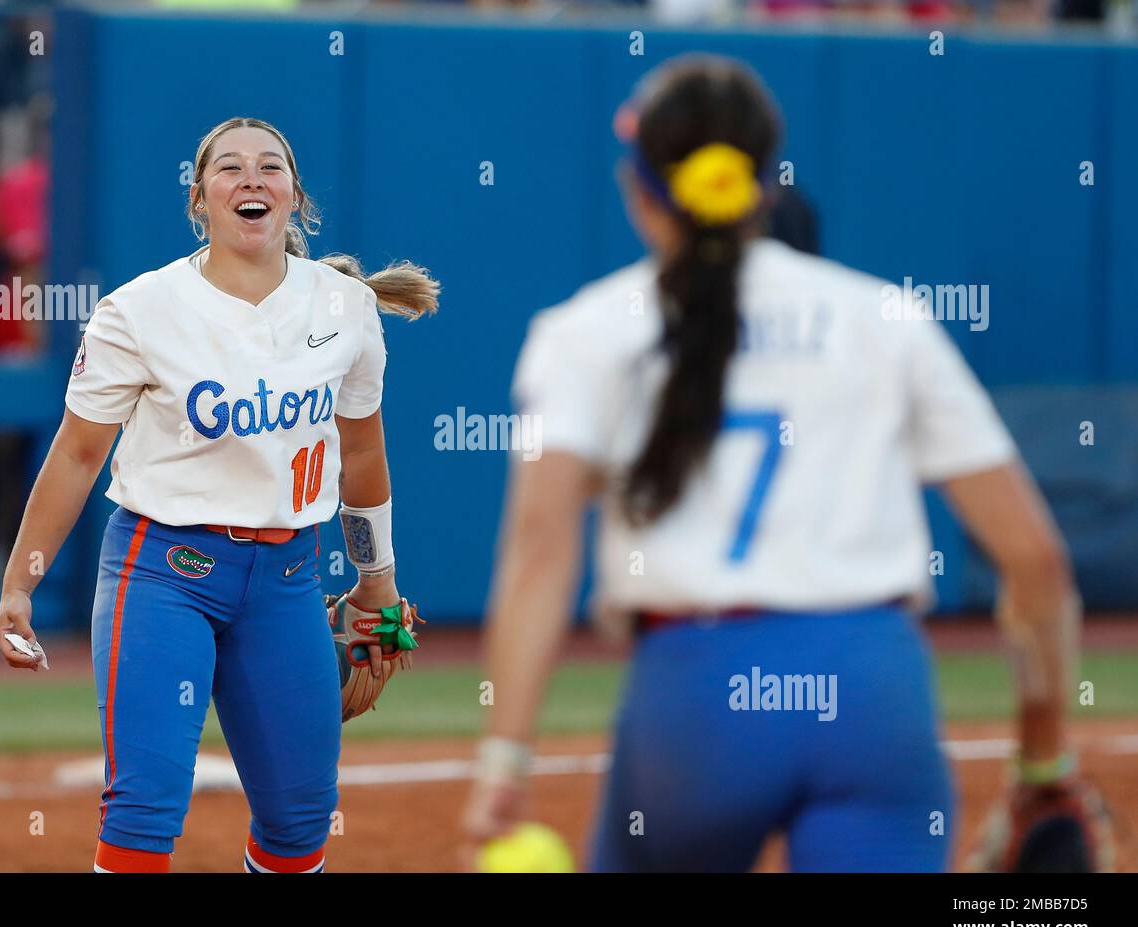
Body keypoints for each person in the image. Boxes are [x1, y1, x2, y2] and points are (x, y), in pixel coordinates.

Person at [462, 56, 1088, 871]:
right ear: (764, 181)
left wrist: (504, 758)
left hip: (696, 699)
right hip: (874, 692)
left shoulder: (585, 333)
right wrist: (1042, 761)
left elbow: (539, 556)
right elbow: (1037, 561)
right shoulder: (884, 318)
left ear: (639, 189)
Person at [0, 117, 438, 873]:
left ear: (296, 196)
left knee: (300, 824)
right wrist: (18, 583)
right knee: (143, 810)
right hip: (162, 572)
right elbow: (76, 454)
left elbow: (361, 450)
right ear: (200, 199)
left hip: (290, 580)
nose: (252, 179)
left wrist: (377, 581)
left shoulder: (344, 307)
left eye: (271, 167)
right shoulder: (140, 310)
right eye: (229, 169)